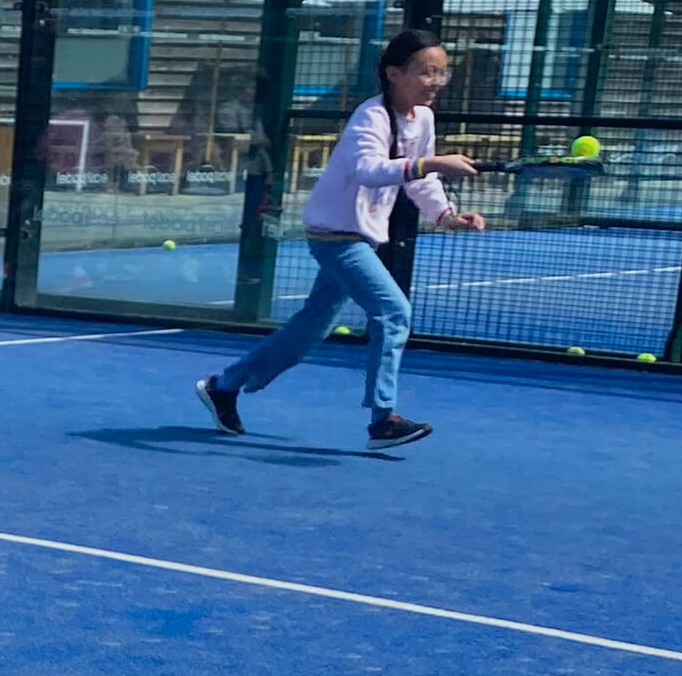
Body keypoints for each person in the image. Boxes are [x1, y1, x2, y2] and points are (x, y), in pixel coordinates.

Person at [196, 29, 487, 450]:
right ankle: (383, 419)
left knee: (307, 332)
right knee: (393, 311)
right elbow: (370, 170)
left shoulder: (422, 119)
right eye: (426, 72)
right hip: (335, 236)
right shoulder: (370, 116)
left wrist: (446, 215)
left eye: (442, 73)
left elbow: (421, 181)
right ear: (393, 73)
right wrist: (429, 162)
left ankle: (224, 386)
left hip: (361, 237)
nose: (436, 82)